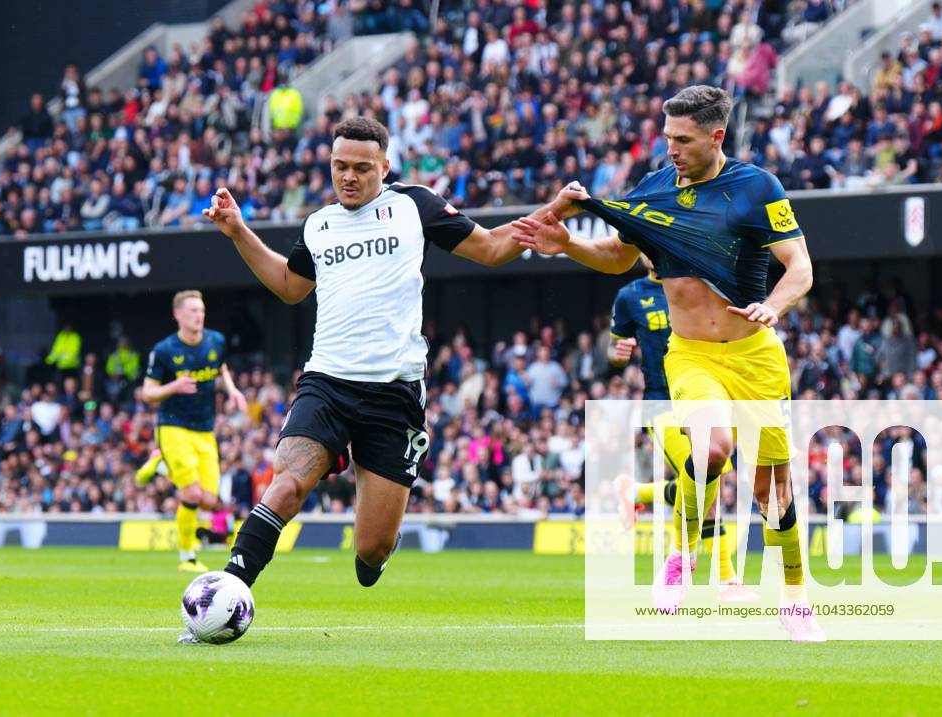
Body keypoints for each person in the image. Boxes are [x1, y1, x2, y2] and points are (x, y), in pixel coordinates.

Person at [200, 117, 568, 613]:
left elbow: (493, 248)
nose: (348, 177)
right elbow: (290, 287)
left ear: (385, 166)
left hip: (394, 394)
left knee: (370, 552)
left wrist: (558, 208)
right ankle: (226, 591)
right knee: (285, 486)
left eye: (361, 168)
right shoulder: (319, 224)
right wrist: (238, 231)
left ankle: (375, 547)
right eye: (339, 167)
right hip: (327, 383)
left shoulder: (414, 206)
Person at [512, 86, 821, 641]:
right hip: (690, 356)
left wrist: (773, 306)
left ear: (716, 136)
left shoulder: (756, 189)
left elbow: (799, 265)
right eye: (667, 136)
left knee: (772, 489)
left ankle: (796, 600)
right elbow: (618, 256)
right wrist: (568, 248)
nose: (670, 148)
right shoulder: (653, 188)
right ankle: (680, 558)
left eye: (682, 139)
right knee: (710, 449)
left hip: (755, 355)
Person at [608, 256, 753, 602]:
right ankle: (727, 578)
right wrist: (619, 354)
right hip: (662, 401)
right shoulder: (630, 296)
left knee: (703, 480)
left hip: (703, 393)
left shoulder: (697, 284)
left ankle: (636, 494)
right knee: (708, 484)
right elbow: (613, 357)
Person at [138, 290, 248, 574]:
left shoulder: (216, 341)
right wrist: (174, 386)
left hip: (204, 429)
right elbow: (148, 393)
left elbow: (220, 367)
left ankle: (162, 466)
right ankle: (187, 557)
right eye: (192, 311)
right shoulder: (164, 350)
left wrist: (233, 390)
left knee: (210, 501)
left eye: (201, 310)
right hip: (173, 426)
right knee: (192, 494)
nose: (198, 316)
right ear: (177, 315)